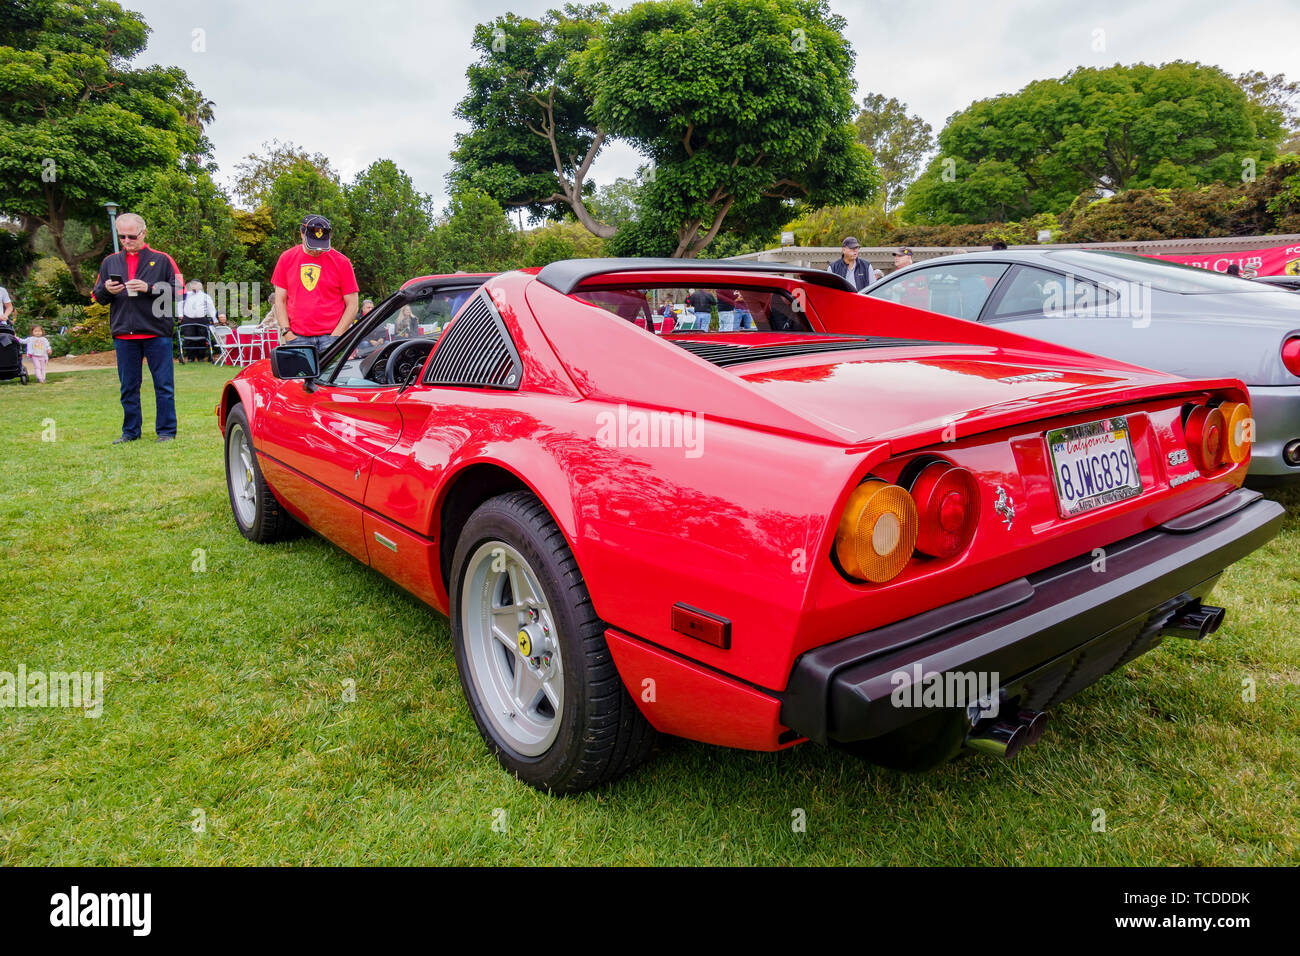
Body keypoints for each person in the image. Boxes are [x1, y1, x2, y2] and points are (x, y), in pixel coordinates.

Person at [91, 213, 181, 444]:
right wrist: (107, 291)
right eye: (122, 236)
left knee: (164, 385)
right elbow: (97, 296)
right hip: (124, 333)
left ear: (143, 233)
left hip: (156, 332)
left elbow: (178, 290)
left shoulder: (162, 259)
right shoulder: (109, 261)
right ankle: (130, 431)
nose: (127, 240)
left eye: (131, 235)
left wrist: (149, 288)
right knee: (128, 387)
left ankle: (166, 432)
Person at [271, 214, 359, 354]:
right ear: (301, 233)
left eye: (321, 245)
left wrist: (337, 335)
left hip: (331, 337)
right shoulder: (286, 258)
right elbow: (279, 300)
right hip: (297, 337)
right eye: (313, 244)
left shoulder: (342, 262)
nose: (317, 250)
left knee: (335, 376)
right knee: (299, 376)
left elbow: (353, 304)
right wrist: (286, 331)